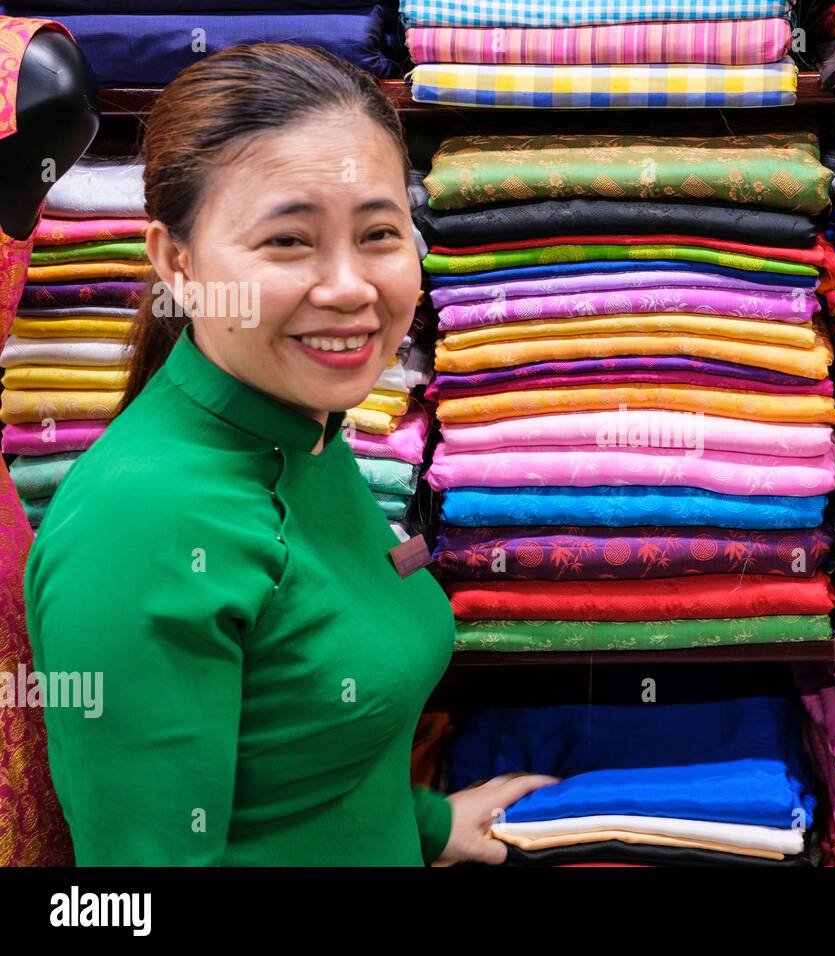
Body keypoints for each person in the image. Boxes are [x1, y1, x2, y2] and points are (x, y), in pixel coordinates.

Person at [24, 43, 556, 866]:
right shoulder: (144, 524)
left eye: (379, 232)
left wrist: (428, 827)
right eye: (287, 242)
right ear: (177, 262)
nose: (349, 286)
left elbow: (297, 757)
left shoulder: (303, 425)